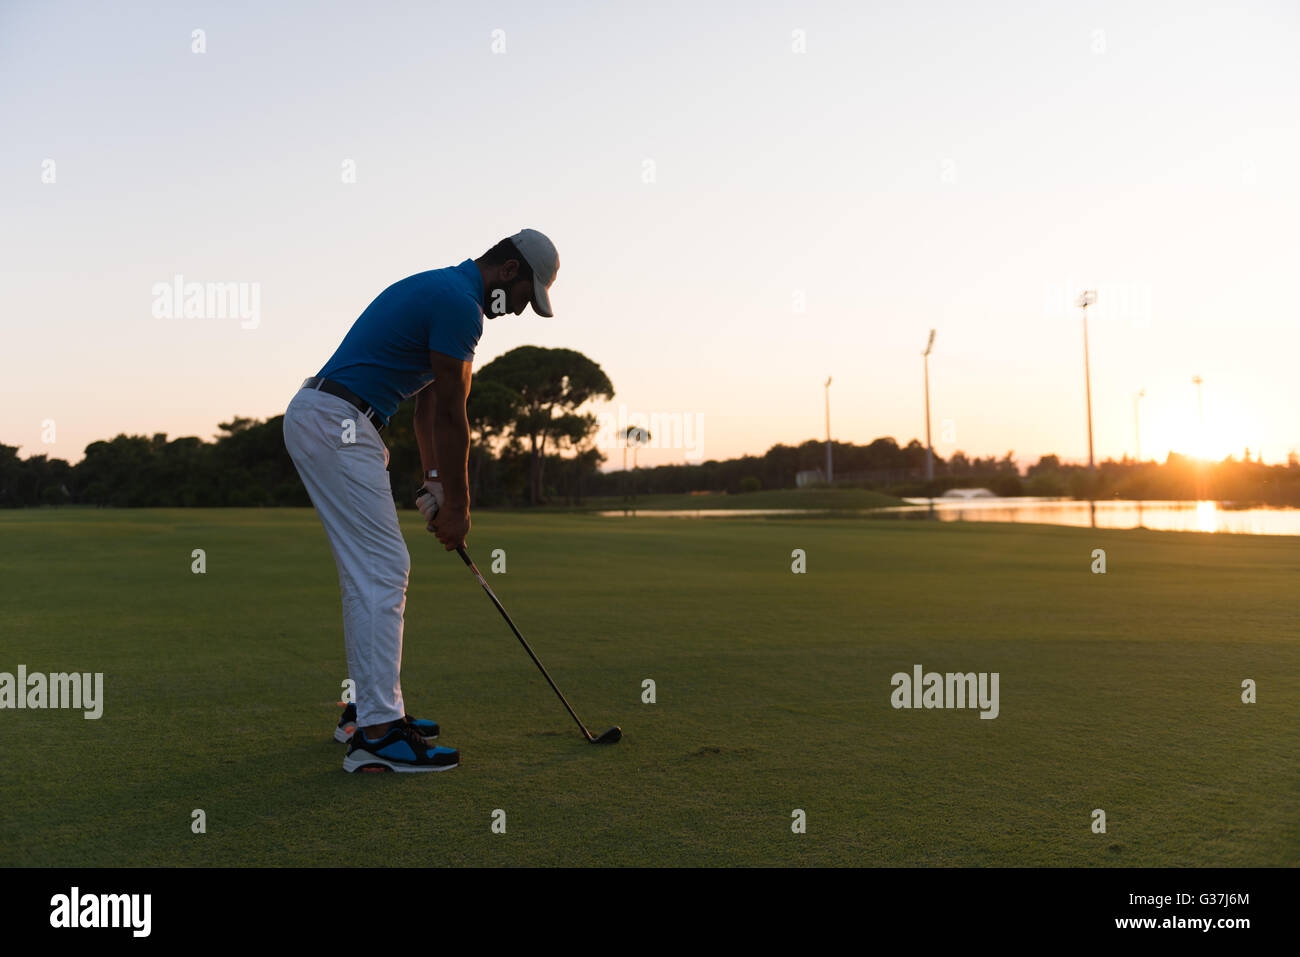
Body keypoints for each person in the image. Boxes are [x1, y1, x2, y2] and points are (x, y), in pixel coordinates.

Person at [281, 228, 559, 772]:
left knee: (370, 572)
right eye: (525, 298)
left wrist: (434, 478)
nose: (521, 311)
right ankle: (379, 734)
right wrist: (458, 506)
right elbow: (456, 414)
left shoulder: (447, 292)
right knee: (384, 569)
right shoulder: (461, 306)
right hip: (337, 422)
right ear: (508, 271)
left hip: (330, 418)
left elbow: (429, 408)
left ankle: (365, 713)